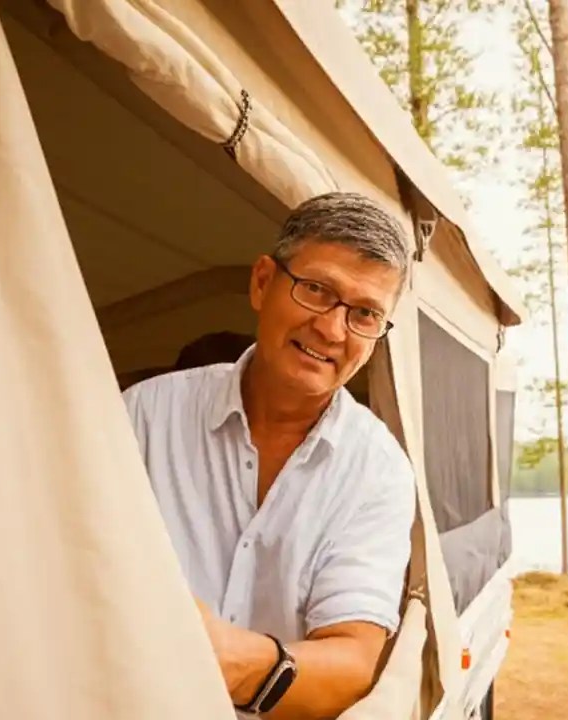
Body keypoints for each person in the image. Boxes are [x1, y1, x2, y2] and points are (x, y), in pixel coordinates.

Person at [122, 192, 417, 718]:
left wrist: (229, 661)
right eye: (316, 290)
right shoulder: (142, 416)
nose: (331, 330)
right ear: (262, 283)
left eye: (365, 314)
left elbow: (353, 661)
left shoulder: (379, 471)